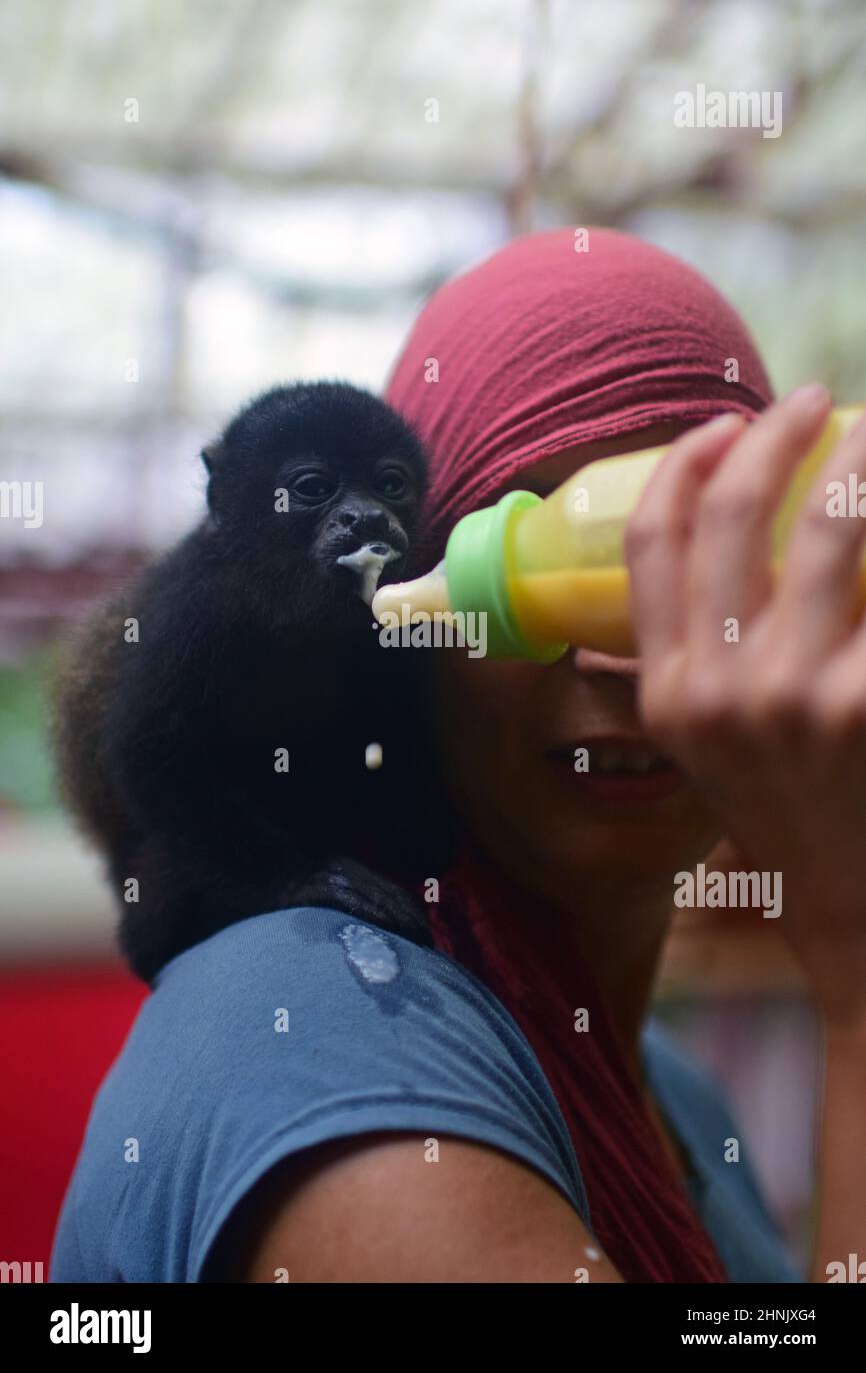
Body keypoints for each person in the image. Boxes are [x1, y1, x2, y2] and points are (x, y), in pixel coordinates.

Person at [50, 228, 866, 1284]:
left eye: (688, 549)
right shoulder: (320, 1041)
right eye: (532, 563)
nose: (614, 647)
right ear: (409, 617)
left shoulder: (673, 1089)